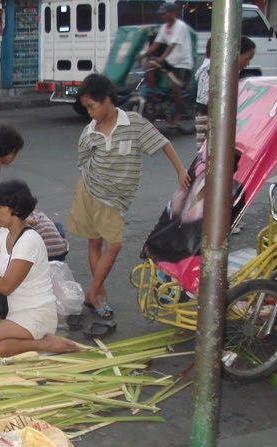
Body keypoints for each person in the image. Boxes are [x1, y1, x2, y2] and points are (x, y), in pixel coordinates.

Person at [66, 74, 189, 320]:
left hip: (116, 198)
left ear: (108, 100)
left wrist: (180, 170)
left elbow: (163, 142)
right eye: (86, 107)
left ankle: (93, 293)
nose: (88, 112)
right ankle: (98, 293)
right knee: (95, 243)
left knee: (113, 245)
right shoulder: (89, 133)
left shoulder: (133, 123)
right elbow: (84, 163)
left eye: (91, 106)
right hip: (89, 191)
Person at [0, 180, 80, 357]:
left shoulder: (29, 241)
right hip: (11, 311)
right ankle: (11, 339)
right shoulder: (4, 233)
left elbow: (6, 286)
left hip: (35, 313)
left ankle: (42, 343)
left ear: (16, 209)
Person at [136, 2, 194, 128]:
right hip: (170, 61)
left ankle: (177, 117)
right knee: (148, 67)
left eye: (165, 13)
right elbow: (156, 44)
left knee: (176, 90)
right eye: (162, 13)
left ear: (173, 13)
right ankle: (156, 96)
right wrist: (144, 55)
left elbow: (172, 45)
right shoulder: (164, 28)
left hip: (182, 63)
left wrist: (162, 58)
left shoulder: (180, 26)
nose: (163, 15)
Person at [195, 37, 256, 152]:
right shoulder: (214, 69)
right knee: (208, 154)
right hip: (210, 117)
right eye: (247, 59)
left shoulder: (222, 69)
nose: (247, 64)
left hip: (213, 117)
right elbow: (209, 99)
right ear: (235, 53)